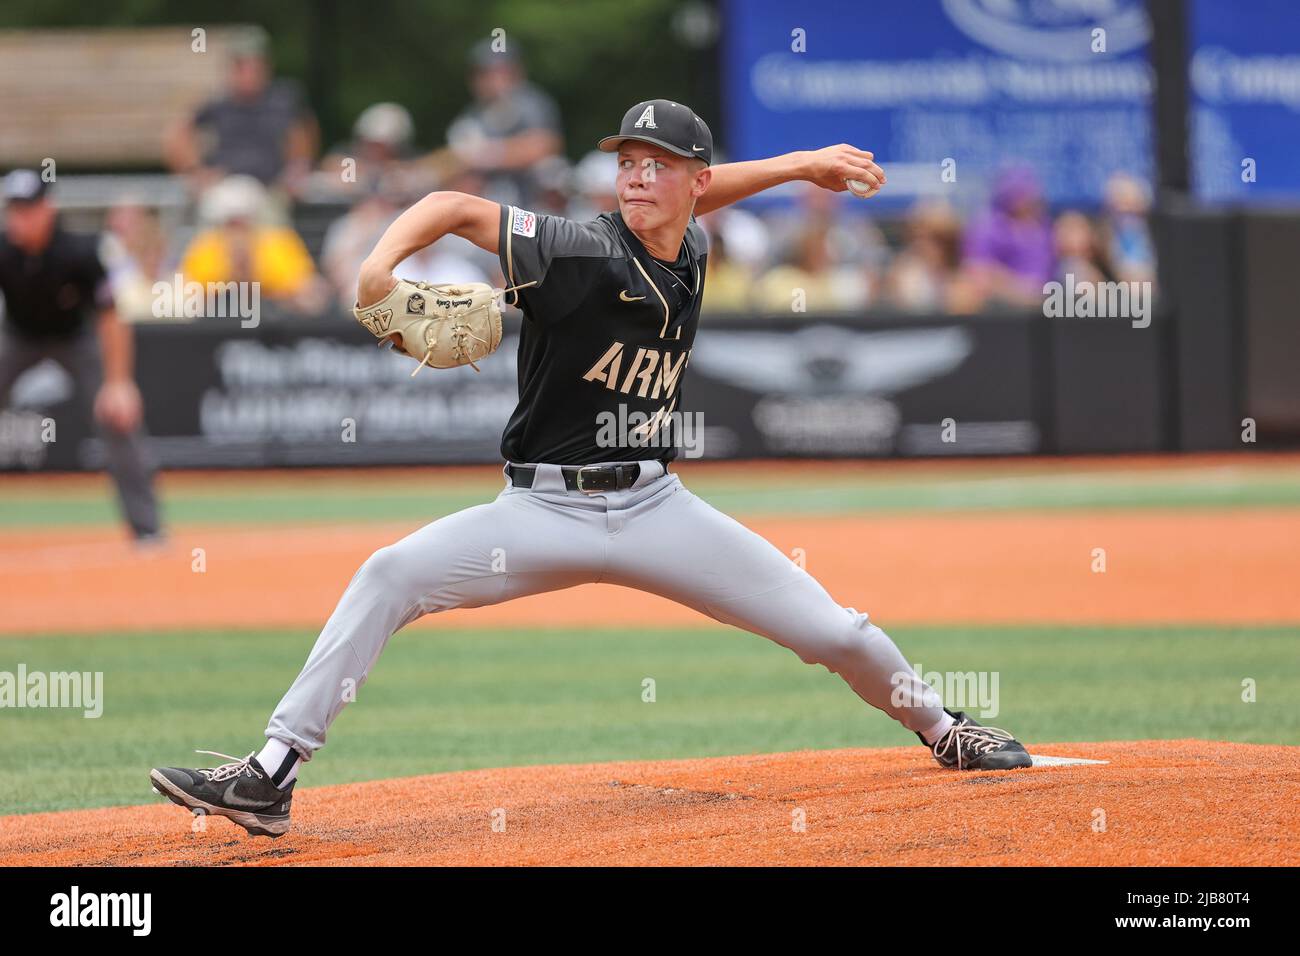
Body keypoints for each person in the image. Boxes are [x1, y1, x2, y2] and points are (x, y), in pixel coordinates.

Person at [149, 100, 1033, 839]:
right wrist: (380, 265)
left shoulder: (689, 243)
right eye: (627, 162)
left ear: (691, 181)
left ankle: (945, 730)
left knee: (834, 632)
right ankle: (271, 776)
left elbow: (708, 192)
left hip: (656, 507)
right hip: (537, 514)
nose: (637, 176)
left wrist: (802, 164)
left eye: (657, 164)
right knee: (387, 575)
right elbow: (456, 205)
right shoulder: (574, 250)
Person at [0, 170, 163, 543]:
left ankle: (148, 530)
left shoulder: (80, 252)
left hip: (75, 339)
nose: (19, 218)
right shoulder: (4, 250)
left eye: (28, 208)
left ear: (48, 209)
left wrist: (119, 382)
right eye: (13, 209)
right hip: (18, 337)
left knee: (118, 419)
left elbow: (111, 318)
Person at [164, 28, 318, 198]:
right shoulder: (218, 104)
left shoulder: (284, 99)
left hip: (271, 189)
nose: (249, 73)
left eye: (255, 65)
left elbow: (304, 132)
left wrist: (298, 168)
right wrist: (195, 171)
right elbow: (178, 133)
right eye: (242, 66)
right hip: (225, 187)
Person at [443, 39, 564, 210]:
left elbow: (545, 146)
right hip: (492, 203)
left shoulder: (530, 102)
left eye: (500, 71)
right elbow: (455, 162)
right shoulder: (474, 113)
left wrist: (486, 154)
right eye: (485, 73)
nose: (493, 79)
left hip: (534, 203)